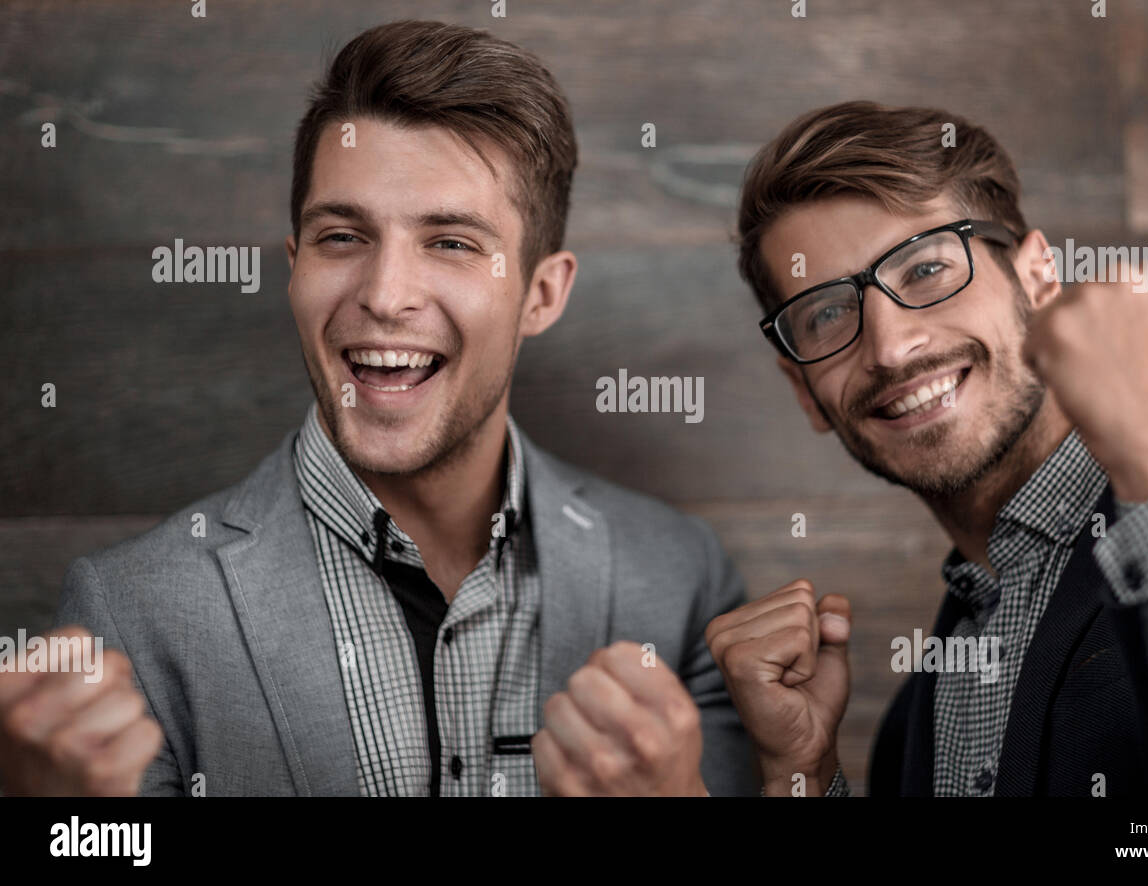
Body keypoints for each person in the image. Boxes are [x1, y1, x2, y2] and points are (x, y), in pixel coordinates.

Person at [0, 20, 756, 798]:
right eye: (341, 236)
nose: (385, 295)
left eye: (453, 243)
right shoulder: (132, 614)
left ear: (542, 293)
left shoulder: (680, 582)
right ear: (294, 271)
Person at [705, 100, 1148, 797]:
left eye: (925, 270)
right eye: (828, 314)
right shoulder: (911, 733)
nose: (892, 347)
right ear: (805, 391)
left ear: (1038, 278)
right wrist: (802, 772)